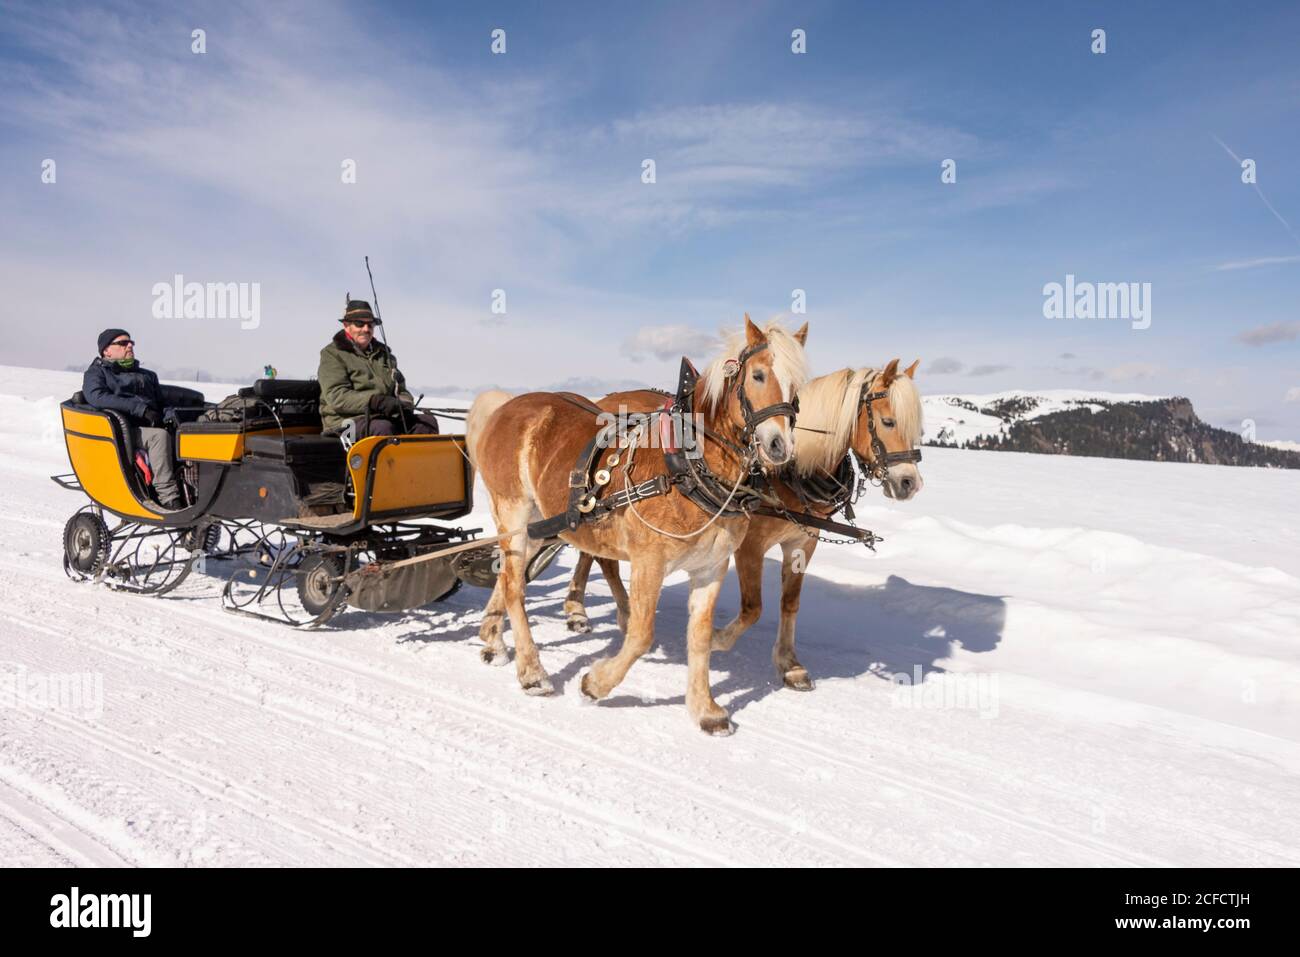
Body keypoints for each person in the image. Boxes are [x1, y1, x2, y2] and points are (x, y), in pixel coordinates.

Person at [83, 329, 184, 509]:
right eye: (122, 343)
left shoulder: (148, 375)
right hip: (124, 431)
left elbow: (162, 403)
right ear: (106, 350)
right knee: (158, 437)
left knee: (188, 433)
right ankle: (169, 498)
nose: (129, 346)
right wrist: (141, 410)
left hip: (152, 424)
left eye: (131, 343)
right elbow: (97, 397)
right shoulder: (97, 373)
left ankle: (192, 491)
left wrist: (170, 417)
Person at [317, 298, 440, 437]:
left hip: (384, 417)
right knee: (382, 428)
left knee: (427, 423)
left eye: (370, 325)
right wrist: (375, 401)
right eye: (359, 324)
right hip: (343, 423)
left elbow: (401, 389)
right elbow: (337, 396)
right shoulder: (332, 354)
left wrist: (404, 403)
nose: (366, 329)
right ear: (346, 325)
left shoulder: (385, 354)